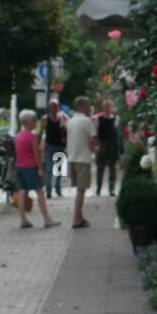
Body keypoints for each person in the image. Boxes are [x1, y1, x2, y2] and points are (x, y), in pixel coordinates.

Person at [13, 109, 60, 230]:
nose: (35, 122)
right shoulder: (31, 137)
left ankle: (23, 219)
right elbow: (36, 155)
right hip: (31, 167)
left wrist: (40, 129)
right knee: (40, 192)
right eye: (34, 120)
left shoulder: (18, 136)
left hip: (20, 166)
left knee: (23, 192)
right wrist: (42, 170)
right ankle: (47, 219)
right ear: (28, 122)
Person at [66, 96, 98, 228]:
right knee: (81, 190)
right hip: (83, 159)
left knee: (79, 189)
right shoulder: (87, 121)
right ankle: (75, 219)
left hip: (71, 158)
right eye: (89, 106)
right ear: (83, 107)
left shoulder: (71, 121)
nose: (90, 109)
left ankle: (80, 217)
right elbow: (94, 141)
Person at [38, 100, 67, 199]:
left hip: (60, 145)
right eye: (53, 106)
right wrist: (38, 145)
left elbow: (68, 129)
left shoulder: (63, 117)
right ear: (49, 108)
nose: (55, 108)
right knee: (49, 169)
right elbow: (41, 132)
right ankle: (49, 191)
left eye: (56, 106)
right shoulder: (45, 119)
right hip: (49, 146)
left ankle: (58, 189)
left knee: (59, 170)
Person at [94, 98, 121, 196]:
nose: (106, 108)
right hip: (102, 145)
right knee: (100, 169)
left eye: (107, 106)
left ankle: (112, 189)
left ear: (111, 107)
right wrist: (96, 146)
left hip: (113, 146)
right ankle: (98, 188)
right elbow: (96, 134)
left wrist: (119, 150)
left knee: (112, 169)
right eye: (104, 106)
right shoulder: (99, 119)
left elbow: (118, 135)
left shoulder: (116, 119)